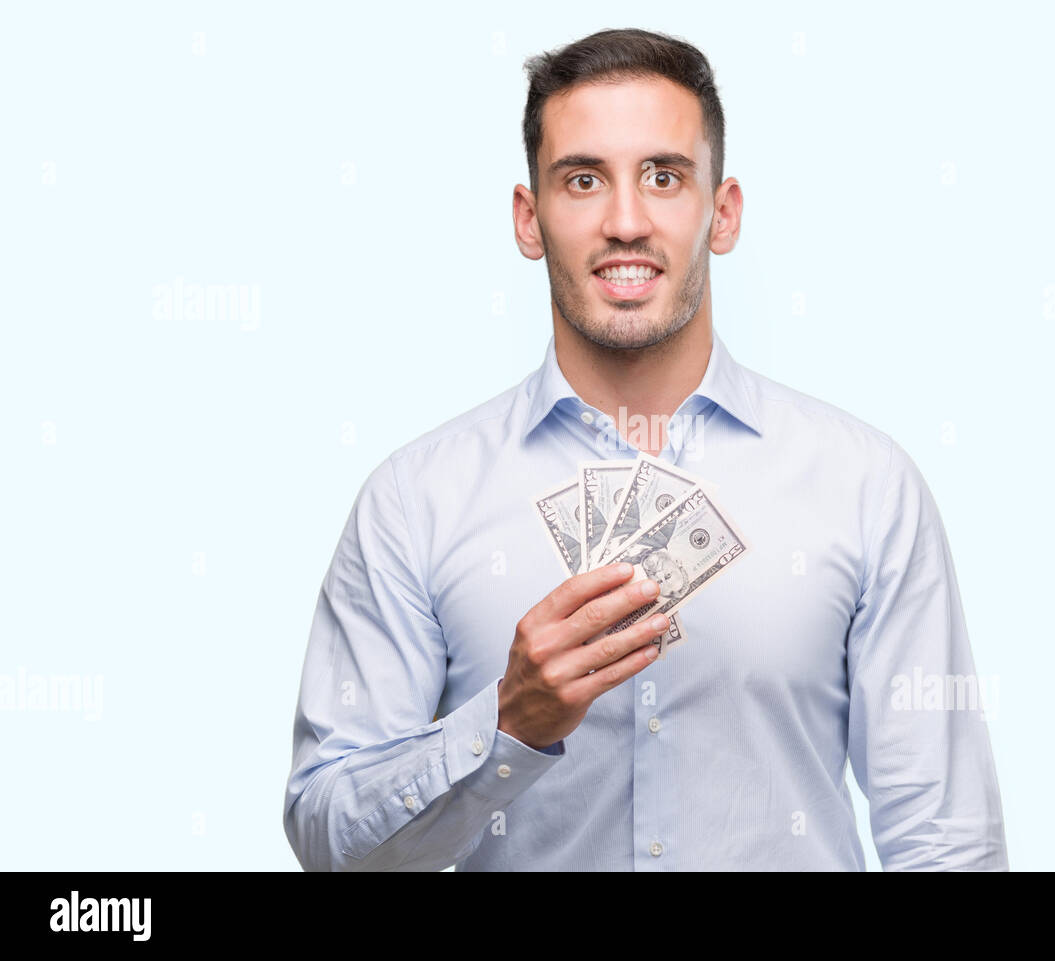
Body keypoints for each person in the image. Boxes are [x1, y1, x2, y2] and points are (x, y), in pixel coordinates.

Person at [282, 27, 1008, 871]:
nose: (626, 222)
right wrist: (507, 723)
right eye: (583, 180)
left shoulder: (866, 485)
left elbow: (946, 843)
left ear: (722, 212)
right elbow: (329, 838)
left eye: (664, 177)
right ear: (529, 219)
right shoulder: (414, 500)